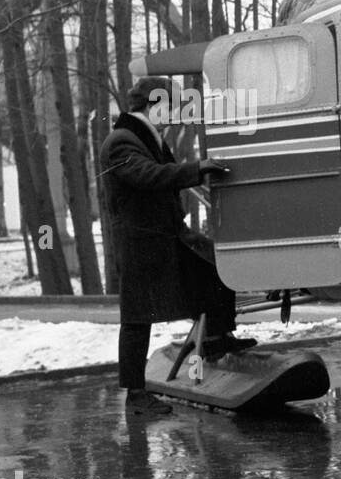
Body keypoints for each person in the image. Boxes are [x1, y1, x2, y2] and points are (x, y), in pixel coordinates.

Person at [102, 76, 255, 416]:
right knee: (137, 318)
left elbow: (160, 173)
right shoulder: (121, 142)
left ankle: (216, 339)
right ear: (151, 105)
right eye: (169, 106)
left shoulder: (143, 137)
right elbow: (150, 177)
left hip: (165, 234)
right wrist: (198, 169)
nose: (173, 114)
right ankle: (135, 395)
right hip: (140, 242)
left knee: (213, 266)